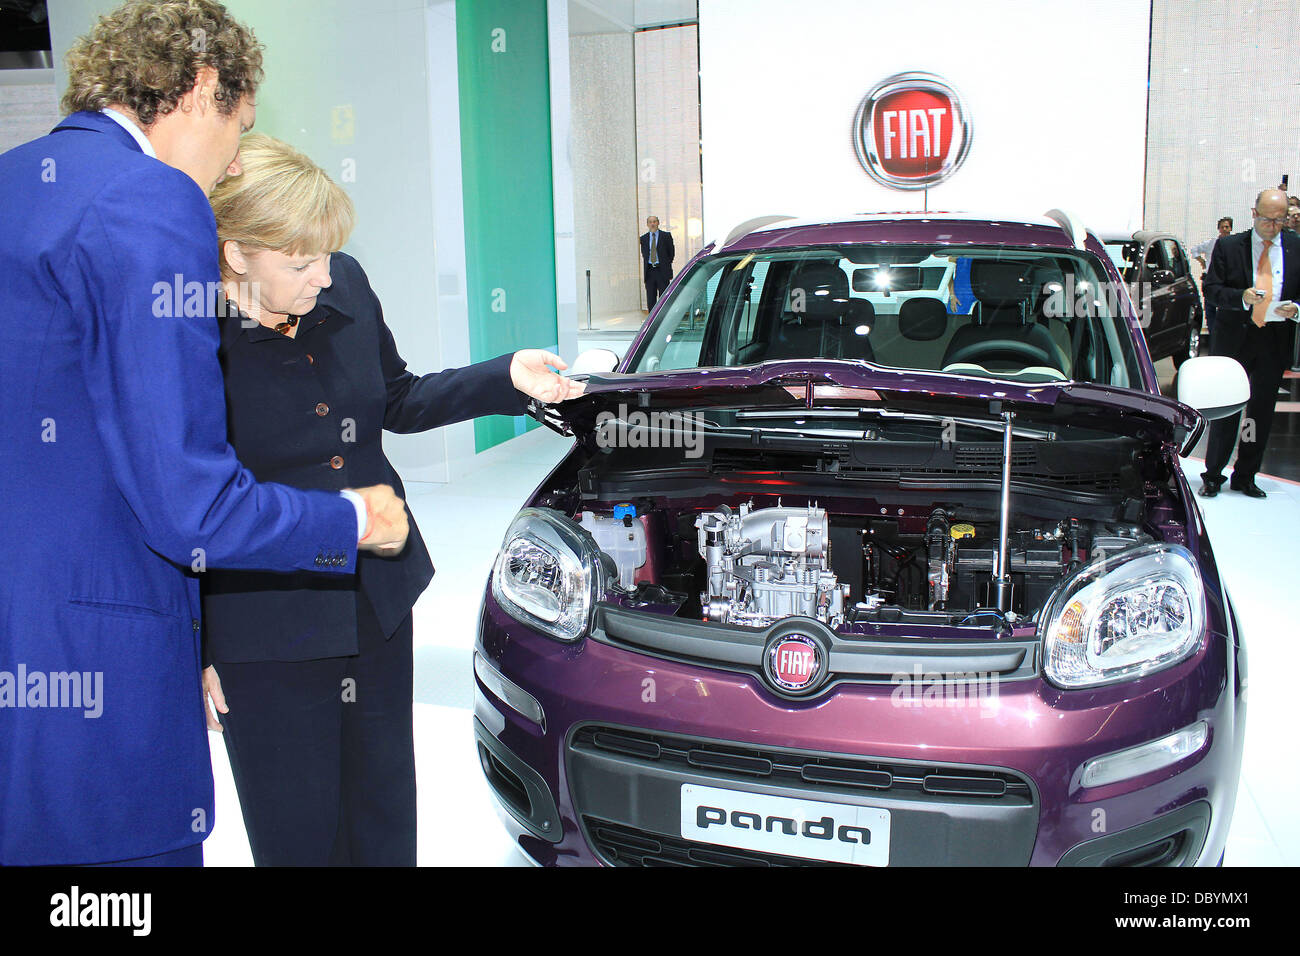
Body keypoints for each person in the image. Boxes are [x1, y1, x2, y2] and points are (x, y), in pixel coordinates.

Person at [0, 0, 409, 867]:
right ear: (202, 89)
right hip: (102, 658)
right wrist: (352, 520)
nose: (231, 159)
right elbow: (189, 502)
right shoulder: (149, 199)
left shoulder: (16, 181)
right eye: (241, 125)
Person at [198, 134, 582, 866]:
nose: (321, 276)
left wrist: (507, 376)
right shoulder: (187, 333)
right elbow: (183, 497)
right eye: (298, 261)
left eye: (326, 254)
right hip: (263, 623)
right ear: (235, 250)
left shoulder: (343, 280)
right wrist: (198, 646)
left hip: (374, 599)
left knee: (382, 810)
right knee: (299, 830)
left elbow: (398, 398)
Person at [1199, 188, 1300, 499]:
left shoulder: (1296, 246)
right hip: (1234, 340)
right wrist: (1240, 298)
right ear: (1254, 214)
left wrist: (1296, 308)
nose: (1273, 226)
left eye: (1280, 220)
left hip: (1273, 338)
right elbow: (1212, 290)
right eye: (1267, 219)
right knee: (1227, 408)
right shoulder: (1229, 247)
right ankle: (1214, 473)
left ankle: (1246, 475)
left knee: (1260, 411)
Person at [1192, 217, 1233, 341]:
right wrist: (1202, 262)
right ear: (1219, 229)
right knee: (1210, 308)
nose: (1225, 229)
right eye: (1222, 227)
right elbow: (1195, 250)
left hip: (1227, 281)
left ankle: (1225, 336)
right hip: (1211, 279)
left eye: (1227, 227)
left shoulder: (1234, 243)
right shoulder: (1211, 243)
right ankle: (1213, 335)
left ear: (1230, 228)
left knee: (1226, 309)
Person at [640, 215, 675, 310]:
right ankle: (652, 320)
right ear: (647, 224)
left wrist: (665, 264)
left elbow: (671, 253)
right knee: (651, 297)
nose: (652, 224)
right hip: (650, 271)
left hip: (662, 270)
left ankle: (663, 318)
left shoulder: (666, 236)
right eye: (650, 222)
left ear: (658, 223)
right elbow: (645, 254)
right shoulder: (643, 238)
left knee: (664, 297)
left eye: (654, 221)